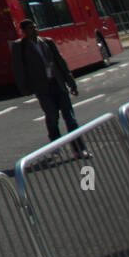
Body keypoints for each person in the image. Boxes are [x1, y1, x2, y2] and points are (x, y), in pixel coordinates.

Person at [11, 20, 89, 158]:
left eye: (35, 27)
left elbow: (60, 61)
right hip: (42, 87)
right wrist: (23, 87)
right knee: (52, 116)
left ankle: (79, 149)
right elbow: (19, 69)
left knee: (70, 118)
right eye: (30, 28)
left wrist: (71, 82)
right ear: (24, 31)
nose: (34, 30)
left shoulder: (47, 42)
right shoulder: (20, 46)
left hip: (57, 83)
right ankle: (55, 146)